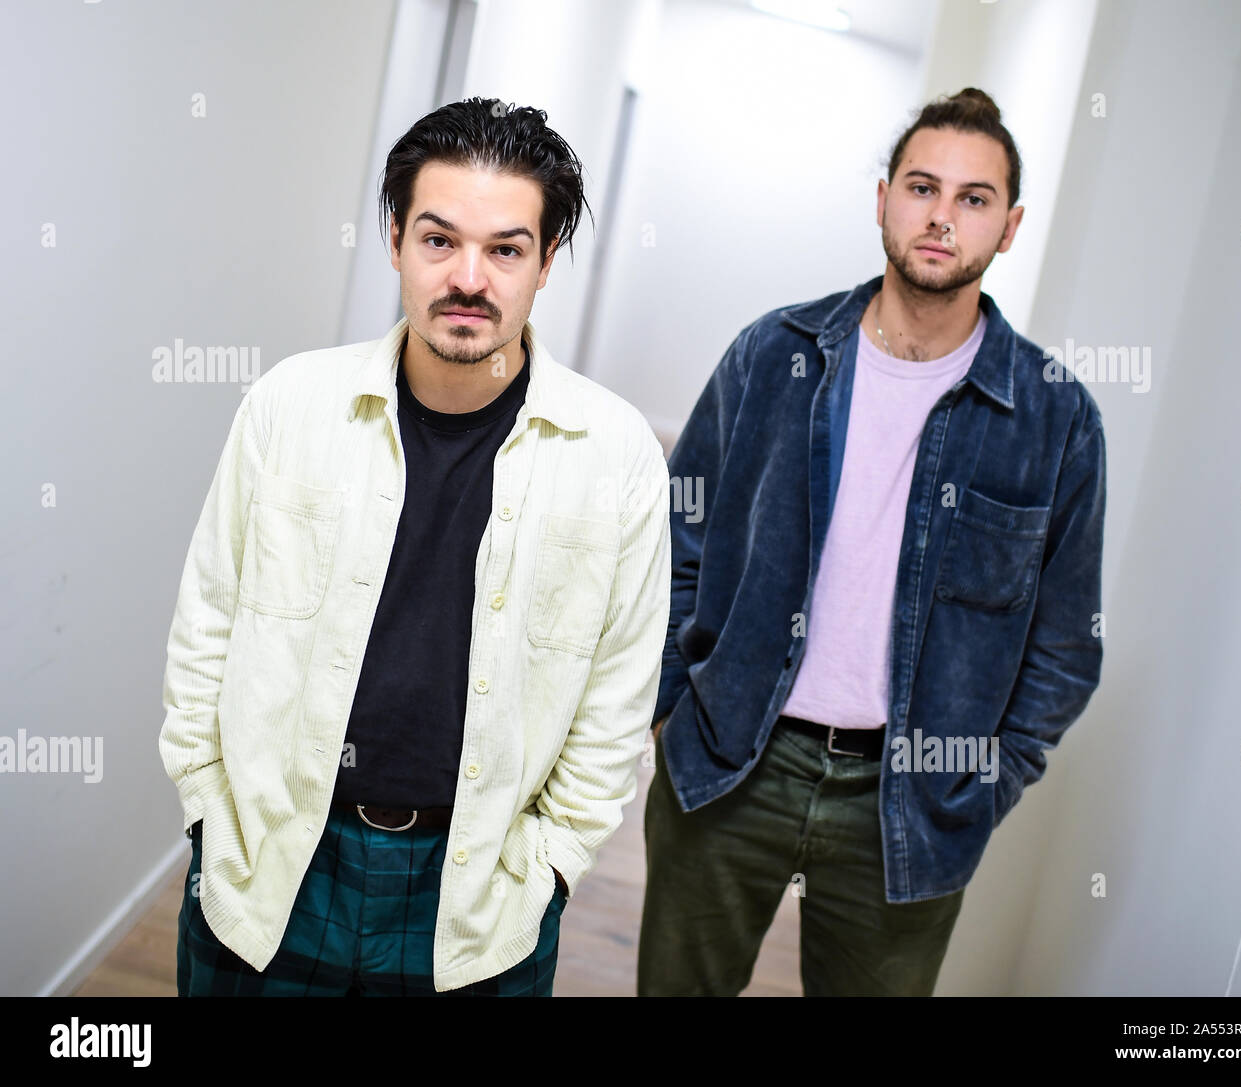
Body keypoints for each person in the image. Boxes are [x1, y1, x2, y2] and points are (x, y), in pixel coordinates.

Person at [160, 97, 671, 996]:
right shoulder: (290, 406)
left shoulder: (615, 452)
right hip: (270, 864)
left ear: (548, 261)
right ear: (395, 237)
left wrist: (553, 865)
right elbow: (208, 616)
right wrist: (207, 808)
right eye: (439, 239)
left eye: (506, 249)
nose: (468, 277)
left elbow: (619, 691)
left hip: (482, 895)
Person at [638, 88, 1106, 997]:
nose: (941, 216)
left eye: (973, 199)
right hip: (736, 761)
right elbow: (674, 542)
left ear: (1007, 228)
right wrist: (672, 706)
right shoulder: (772, 355)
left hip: (912, 805)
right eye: (922, 187)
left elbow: (1065, 645)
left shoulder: (1054, 419)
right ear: (884, 198)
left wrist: (984, 783)